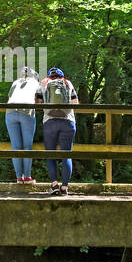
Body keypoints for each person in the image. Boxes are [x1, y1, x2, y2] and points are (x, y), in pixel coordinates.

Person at [40, 66, 79, 195]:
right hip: (68, 122)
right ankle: (65, 187)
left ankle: (54, 185)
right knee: (66, 155)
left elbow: (37, 103)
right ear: (62, 75)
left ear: (49, 75)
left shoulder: (44, 83)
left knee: (50, 154)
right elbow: (75, 103)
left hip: (49, 122)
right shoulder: (67, 83)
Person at [5, 65, 42, 184]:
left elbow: (9, 97)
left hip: (10, 112)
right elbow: (39, 101)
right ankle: (27, 176)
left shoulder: (15, 82)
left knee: (15, 146)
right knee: (27, 146)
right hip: (26, 111)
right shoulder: (36, 83)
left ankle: (18, 177)